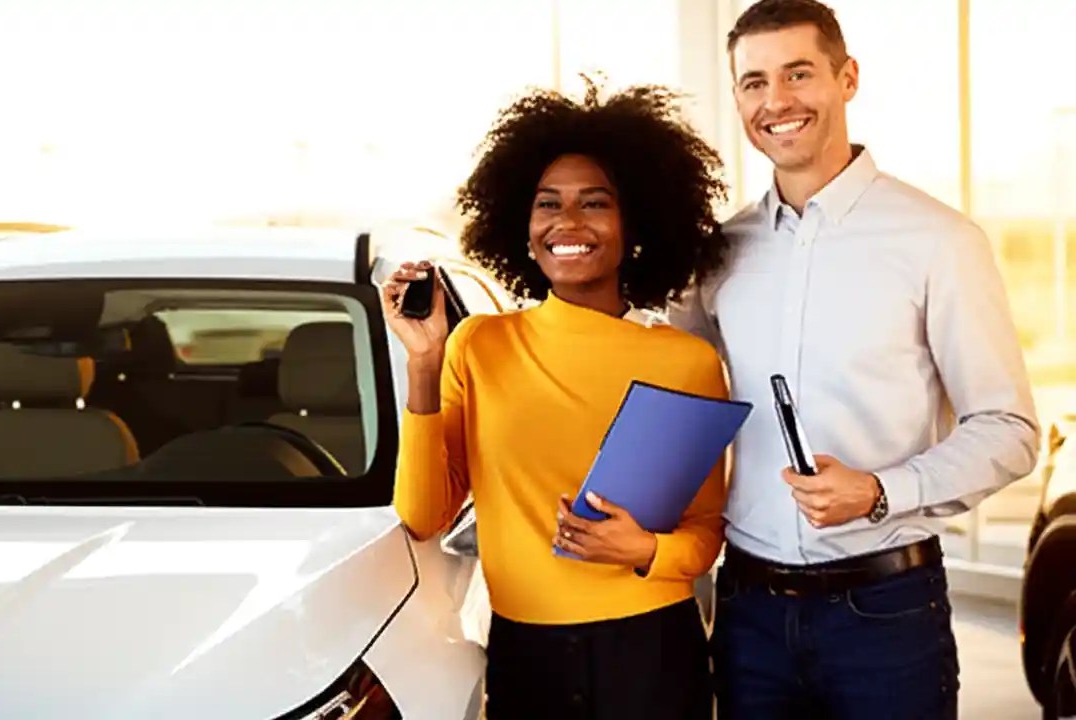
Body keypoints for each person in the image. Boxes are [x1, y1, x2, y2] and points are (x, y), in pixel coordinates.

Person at [669, 1, 1041, 718]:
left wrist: (878, 491)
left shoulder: (939, 240)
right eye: (752, 83)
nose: (775, 101)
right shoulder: (717, 252)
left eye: (798, 73)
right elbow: (672, 398)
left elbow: (1009, 428)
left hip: (885, 615)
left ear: (848, 78)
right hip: (748, 614)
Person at [382, 80, 733, 719]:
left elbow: (706, 534)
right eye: (548, 205)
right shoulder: (477, 346)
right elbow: (423, 516)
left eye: (594, 203)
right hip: (526, 656)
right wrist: (424, 364)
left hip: (652, 650)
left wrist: (646, 551)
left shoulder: (687, 361)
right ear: (522, 223)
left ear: (637, 223)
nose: (567, 223)